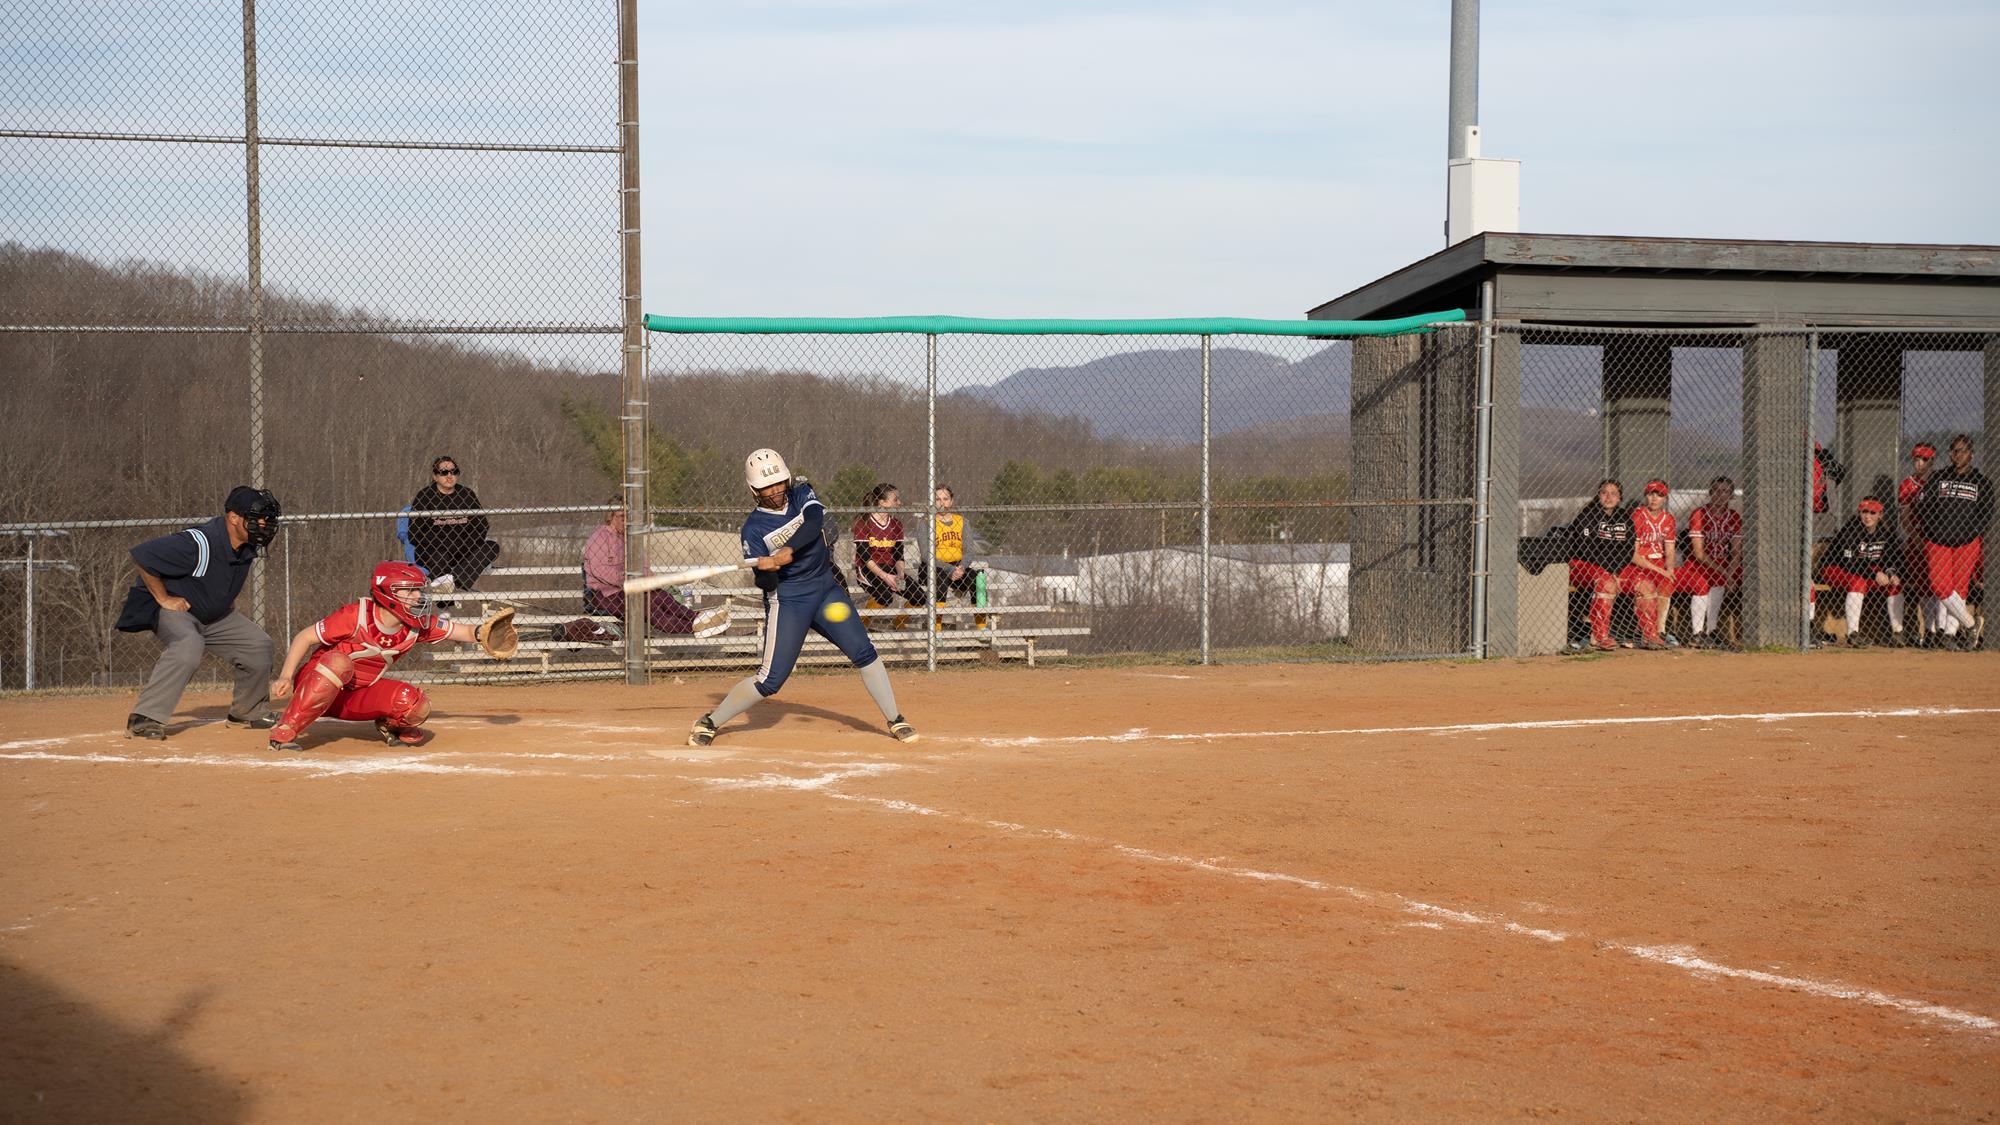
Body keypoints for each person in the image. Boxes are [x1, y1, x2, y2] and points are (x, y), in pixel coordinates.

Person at [687, 449, 917, 748]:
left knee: (864, 651)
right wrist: (767, 568)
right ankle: (711, 721)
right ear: (754, 491)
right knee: (770, 681)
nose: (775, 492)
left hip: (825, 590)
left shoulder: (801, 494)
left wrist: (787, 550)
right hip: (789, 601)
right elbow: (764, 582)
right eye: (766, 488)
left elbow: (813, 522)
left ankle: (895, 718)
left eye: (779, 483)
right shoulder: (753, 529)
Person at [116, 486, 282, 740]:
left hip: (213, 614)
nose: (263, 523)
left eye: (267, 518)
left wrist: (222, 601)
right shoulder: (198, 542)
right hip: (177, 610)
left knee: (258, 645)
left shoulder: (247, 544)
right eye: (257, 517)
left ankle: (247, 711)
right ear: (233, 517)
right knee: (188, 643)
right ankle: (144, 718)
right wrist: (164, 598)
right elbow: (143, 555)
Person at [265, 562, 485, 751]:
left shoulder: (416, 624)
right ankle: (286, 728)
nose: (418, 597)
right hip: (315, 684)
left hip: (352, 697)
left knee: (414, 703)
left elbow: (464, 631)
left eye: (419, 590)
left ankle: (390, 725)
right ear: (387, 594)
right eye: (409, 591)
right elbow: (304, 637)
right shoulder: (356, 615)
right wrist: (285, 676)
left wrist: (485, 634)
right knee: (339, 661)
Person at [581, 500, 727, 639]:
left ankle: (697, 618)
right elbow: (599, 571)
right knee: (652, 608)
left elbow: (642, 564)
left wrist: (648, 579)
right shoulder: (599, 538)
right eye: (621, 516)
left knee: (661, 595)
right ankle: (695, 627)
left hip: (631, 588)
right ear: (610, 516)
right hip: (607, 594)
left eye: (628, 517)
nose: (625, 521)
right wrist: (630, 579)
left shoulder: (628, 538)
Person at [1917, 434, 1993, 650]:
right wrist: (1933, 531)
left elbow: (1985, 515)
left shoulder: (1982, 483)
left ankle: (1949, 635)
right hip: (1938, 540)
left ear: (1971, 454)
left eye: (1961, 451)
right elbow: (1925, 508)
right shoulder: (1938, 478)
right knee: (1939, 585)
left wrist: (1970, 533)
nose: (1956, 455)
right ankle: (1971, 623)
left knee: (1959, 589)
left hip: (1967, 542)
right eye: (1953, 451)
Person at [1817, 497, 1907, 648]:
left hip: (1864, 570)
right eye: (1864, 512)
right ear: (1859, 512)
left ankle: (1898, 633)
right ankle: (1853, 634)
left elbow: (1894, 559)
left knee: (1894, 584)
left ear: (1880, 514)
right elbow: (1849, 563)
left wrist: (1891, 573)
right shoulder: (1851, 529)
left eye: (1873, 512)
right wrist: (1875, 574)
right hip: (1834, 568)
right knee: (1857, 581)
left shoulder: (1886, 532)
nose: (1868, 516)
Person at [408, 455, 499, 592]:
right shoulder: (424, 496)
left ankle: (456, 580)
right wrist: (443, 544)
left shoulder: (467, 494)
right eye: (444, 472)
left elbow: (481, 526)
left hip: (463, 549)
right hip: (434, 551)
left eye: (454, 471)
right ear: (435, 476)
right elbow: (414, 534)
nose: (449, 476)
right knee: (440, 556)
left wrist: (462, 545)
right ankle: (445, 606)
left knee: (492, 547)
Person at [1564, 479, 1637, 652]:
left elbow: (1628, 548)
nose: (1609, 497)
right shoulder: (1587, 515)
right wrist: (1610, 571)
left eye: (1613, 493)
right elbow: (1588, 549)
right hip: (1582, 565)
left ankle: (1650, 636)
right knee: (1606, 582)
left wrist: (1617, 570)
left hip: (1613, 568)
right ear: (1598, 495)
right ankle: (1600, 636)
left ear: (1620, 497)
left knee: (1645, 584)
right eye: (1604, 492)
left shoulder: (1624, 517)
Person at [852, 482, 927, 629]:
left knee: (919, 597)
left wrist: (900, 574)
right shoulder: (864, 523)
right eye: (895, 499)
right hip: (868, 569)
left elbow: (899, 554)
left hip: (891, 568)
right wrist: (885, 576)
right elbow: (865, 557)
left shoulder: (896, 524)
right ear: (882, 502)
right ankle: (861, 627)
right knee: (885, 596)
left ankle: (898, 623)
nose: (899, 502)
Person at [1679, 476, 1740, 648]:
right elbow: (1699, 553)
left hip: (1724, 564)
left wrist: (1729, 572)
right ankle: (1697, 632)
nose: (1721, 495)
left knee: (1724, 579)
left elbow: (1736, 552)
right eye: (1717, 491)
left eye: (1726, 491)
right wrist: (1725, 573)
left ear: (1731, 495)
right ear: (1711, 493)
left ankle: (1711, 631)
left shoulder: (1734, 517)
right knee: (1706, 581)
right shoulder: (1699, 514)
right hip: (1700, 564)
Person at [1625, 479, 1678, 650]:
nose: (1654, 499)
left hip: (1658, 562)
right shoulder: (1638, 515)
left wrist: (1668, 568)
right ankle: (1645, 632)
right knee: (1647, 584)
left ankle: (1658, 630)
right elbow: (1634, 555)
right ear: (1645, 495)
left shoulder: (1668, 519)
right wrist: (1660, 570)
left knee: (1667, 581)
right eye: (1651, 494)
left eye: (1659, 495)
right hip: (1640, 563)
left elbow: (1670, 550)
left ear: (1665, 498)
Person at [1898, 443, 1937, 640]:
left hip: (1939, 539)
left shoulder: (1940, 482)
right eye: (1916, 459)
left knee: (1940, 585)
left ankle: (1944, 630)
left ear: (1932, 461)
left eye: (1924, 459)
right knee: (1923, 585)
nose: (1919, 463)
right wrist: (1916, 538)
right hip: (1917, 540)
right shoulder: (1908, 484)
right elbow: (1904, 517)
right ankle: (1929, 631)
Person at [931, 485, 983, 629]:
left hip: (958, 567)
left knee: (978, 578)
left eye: (945, 499)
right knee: (940, 577)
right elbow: (926, 555)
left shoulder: (962, 521)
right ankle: (936, 630)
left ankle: (981, 628)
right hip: (934, 567)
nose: (941, 503)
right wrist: (950, 569)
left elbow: (969, 551)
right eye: (937, 499)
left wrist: (961, 567)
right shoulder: (926, 522)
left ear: (951, 501)